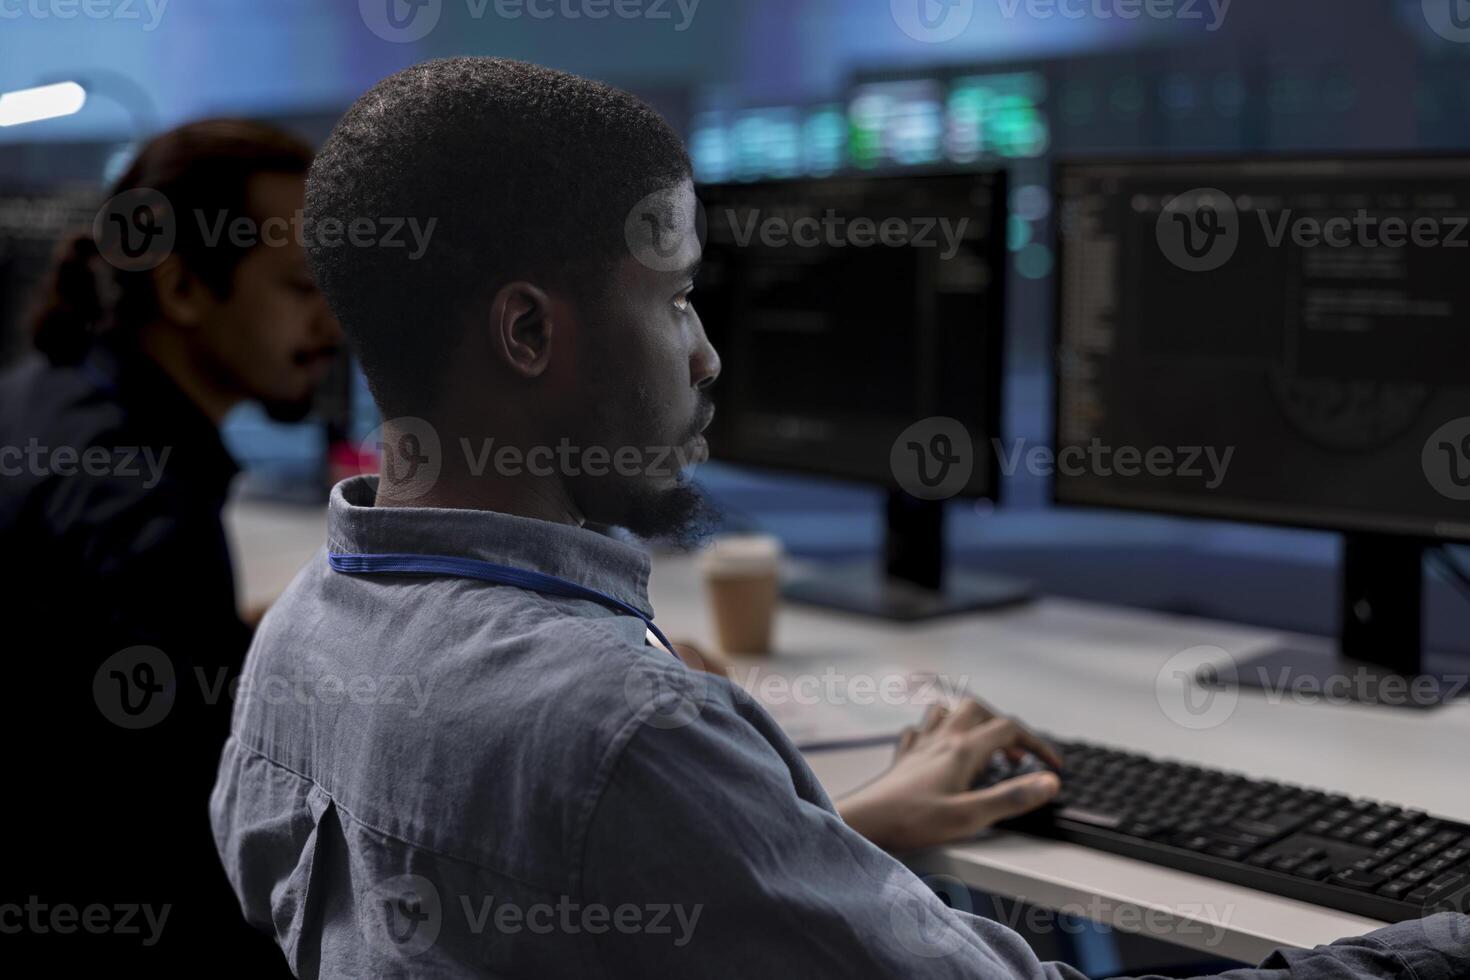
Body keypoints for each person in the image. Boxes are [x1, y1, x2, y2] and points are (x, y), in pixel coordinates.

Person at [209, 59, 1469, 977]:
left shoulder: (297, 644)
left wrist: (816, 839)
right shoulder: (630, 730)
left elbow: (555, 891)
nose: (706, 358)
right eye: (677, 300)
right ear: (531, 330)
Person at [0, 119, 339, 970]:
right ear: (184, 288)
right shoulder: (144, 513)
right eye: (301, 286)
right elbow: (213, 842)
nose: (332, 325)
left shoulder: (46, 397)